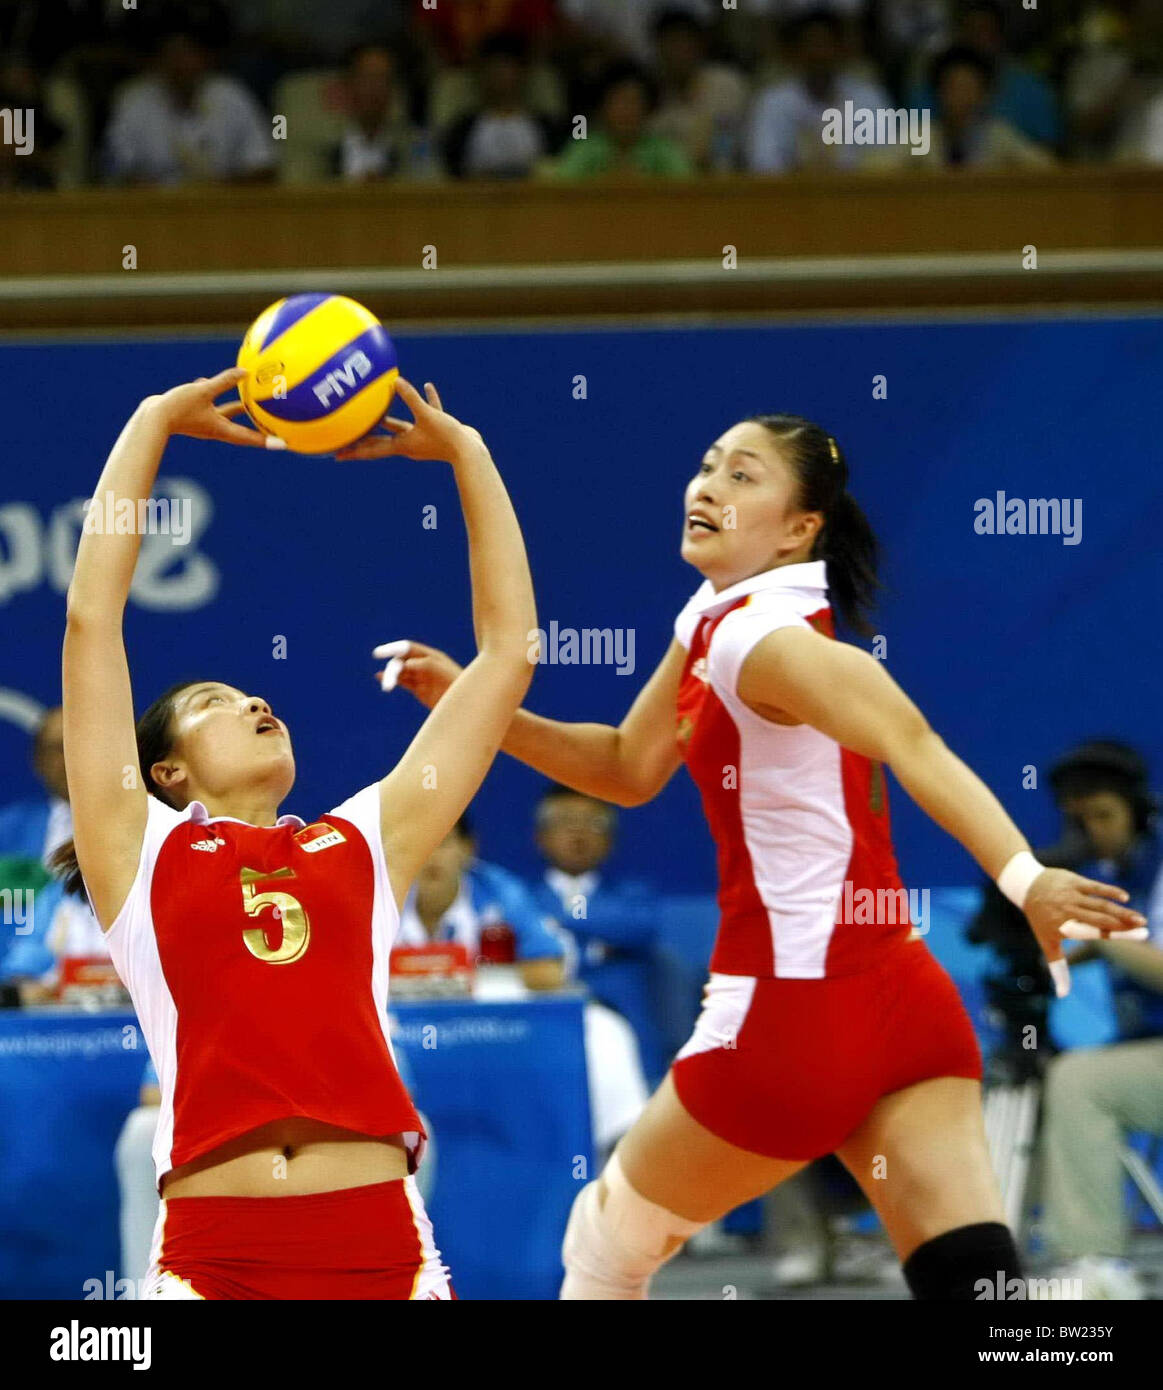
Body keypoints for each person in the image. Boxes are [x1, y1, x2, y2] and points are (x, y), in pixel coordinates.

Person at [380, 413, 1147, 1301]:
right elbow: (626, 767)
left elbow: (915, 741)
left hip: (787, 1018)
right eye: (707, 466)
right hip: (902, 1011)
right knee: (976, 1293)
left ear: (799, 527)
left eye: (742, 476)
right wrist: (473, 705)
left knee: (603, 1241)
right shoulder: (714, 618)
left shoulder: (765, 640)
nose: (707, 487)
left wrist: (1027, 879)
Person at [57, 367, 535, 1299]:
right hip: (213, 1254)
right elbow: (90, 620)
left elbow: (510, 651)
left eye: (252, 694)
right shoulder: (137, 851)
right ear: (167, 773)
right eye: (216, 704)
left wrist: (468, 456)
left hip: (379, 1245)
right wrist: (150, 423)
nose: (255, 701)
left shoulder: (365, 839)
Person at [396, 815, 650, 1156]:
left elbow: (549, 970)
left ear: (467, 850)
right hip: (397, 1024)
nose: (430, 857)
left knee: (606, 1031)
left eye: (441, 844)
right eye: (417, 845)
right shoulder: (382, 895)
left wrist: (456, 974)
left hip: (494, 1025)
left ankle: (620, 1157)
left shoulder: (500, 891)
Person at [528, 783, 669, 1081]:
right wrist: (596, 944)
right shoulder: (520, 898)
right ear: (540, 837)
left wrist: (557, 924)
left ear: (610, 839)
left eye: (592, 823)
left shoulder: (634, 896)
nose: (578, 833)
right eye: (565, 821)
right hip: (544, 1037)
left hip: (629, 1039)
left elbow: (640, 928)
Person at [103, 9, 275, 186]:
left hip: (221, 206)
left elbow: (263, 167)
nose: (180, 64)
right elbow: (113, 169)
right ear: (159, 60)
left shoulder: (231, 95)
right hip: (154, 208)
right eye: (172, 54)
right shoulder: (134, 99)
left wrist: (218, 190)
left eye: (188, 54)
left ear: (205, 58)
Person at [745, 9, 892, 173]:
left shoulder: (868, 98)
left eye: (825, 45)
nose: (818, 55)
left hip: (855, 194)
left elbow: (885, 159)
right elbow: (762, 162)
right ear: (795, 53)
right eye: (810, 45)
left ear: (841, 51)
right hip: (792, 194)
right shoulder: (773, 102)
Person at [552, 60, 692, 178]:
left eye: (633, 102)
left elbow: (689, 190)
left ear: (648, 109)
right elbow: (563, 191)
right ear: (602, 108)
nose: (626, 111)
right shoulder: (585, 149)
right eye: (618, 102)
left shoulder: (663, 150)